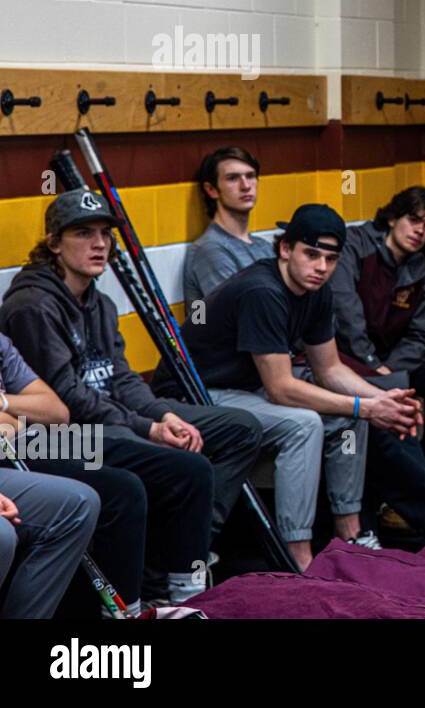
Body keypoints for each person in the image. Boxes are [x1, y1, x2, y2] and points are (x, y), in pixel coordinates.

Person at [0, 191, 263, 612]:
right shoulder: (32, 305)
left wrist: (162, 414)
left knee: (227, 436)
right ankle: (132, 601)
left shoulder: (100, 303)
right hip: (58, 439)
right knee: (152, 471)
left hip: (75, 424)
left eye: (106, 234)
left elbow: (117, 378)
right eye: (84, 233)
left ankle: (184, 579)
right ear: (54, 243)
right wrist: (146, 429)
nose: (99, 243)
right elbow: (68, 403)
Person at [154, 203, 425, 569]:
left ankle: (350, 535)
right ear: (285, 249)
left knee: (350, 413)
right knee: (304, 425)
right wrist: (367, 407)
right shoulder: (263, 290)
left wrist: (384, 398)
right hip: (196, 394)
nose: (321, 267)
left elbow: (329, 368)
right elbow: (281, 389)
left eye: (330, 258)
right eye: (311, 254)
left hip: (249, 388)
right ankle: (298, 554)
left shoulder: (317, 290)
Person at [331, 186, 425, 500]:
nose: (420, 230)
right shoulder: (356, 245)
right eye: (414, 219)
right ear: (393, 218)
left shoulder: (421, 266)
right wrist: (372, 363)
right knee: (398, 402)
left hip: (388, 362)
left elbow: (420, 334)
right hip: (345, 359)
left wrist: (391, 369)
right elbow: (344, 308)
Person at [0, 333, 102, 620]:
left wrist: (5, 405)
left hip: (28, 442)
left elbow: (56, 412)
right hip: (24, 444)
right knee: (2, 535)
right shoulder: (32, 305)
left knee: (80, 501)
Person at [183, 147, 274, 308]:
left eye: (251, 176)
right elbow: (236, 314)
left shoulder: (264, 246)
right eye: (233, 178)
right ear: (211, 190)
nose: (246, 186)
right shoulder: (209, 249)